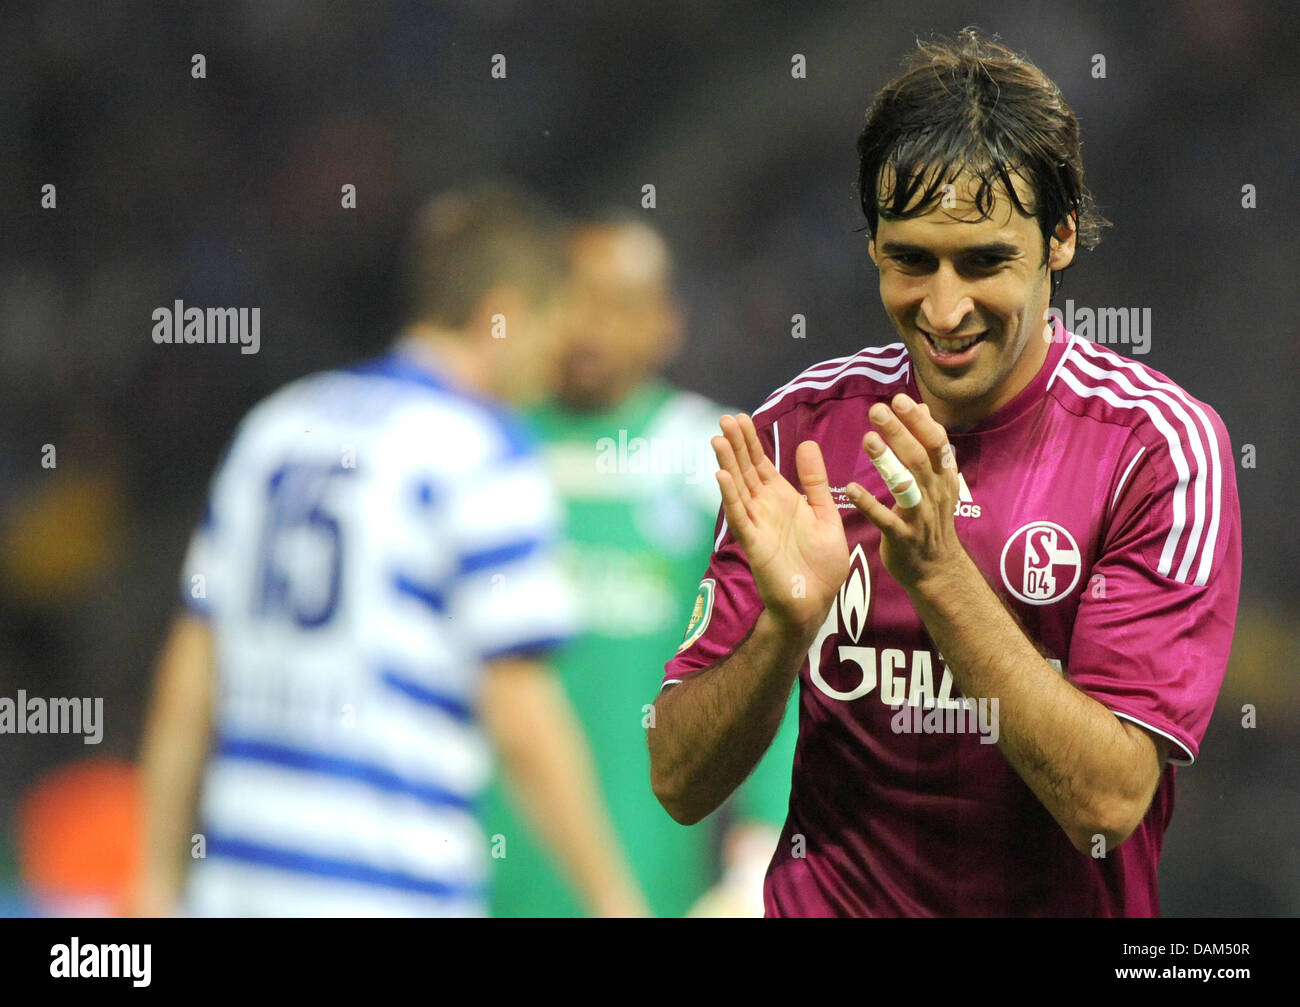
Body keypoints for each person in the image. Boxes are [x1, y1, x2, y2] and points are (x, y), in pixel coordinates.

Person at [647, 29, 1241, 917]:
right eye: (911, 260)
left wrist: (938, 574)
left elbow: (1109, 801)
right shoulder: (800, 431)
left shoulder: (1156, 450)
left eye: (985, 261)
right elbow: (679, 782)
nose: (945, 307)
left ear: (1063, 236)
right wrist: (783, 629)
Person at [134, 181, 646, 917]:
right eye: (548, 332)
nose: (548, 366)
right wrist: (613, 899)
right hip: (387, 890)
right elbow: (522, 714)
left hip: (237, 890)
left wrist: (155, 880)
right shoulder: (478, 452)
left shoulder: (277, 426)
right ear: (501, 315)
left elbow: (189, 675)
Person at [480, 217, 797, 918]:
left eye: (619, 305)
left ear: (666, 323)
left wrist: (759, 857)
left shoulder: (713, 461)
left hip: (649, 893)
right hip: (469, 886)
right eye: (575, 298)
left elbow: (774, 659)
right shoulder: (479, 447)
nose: (591, 326)